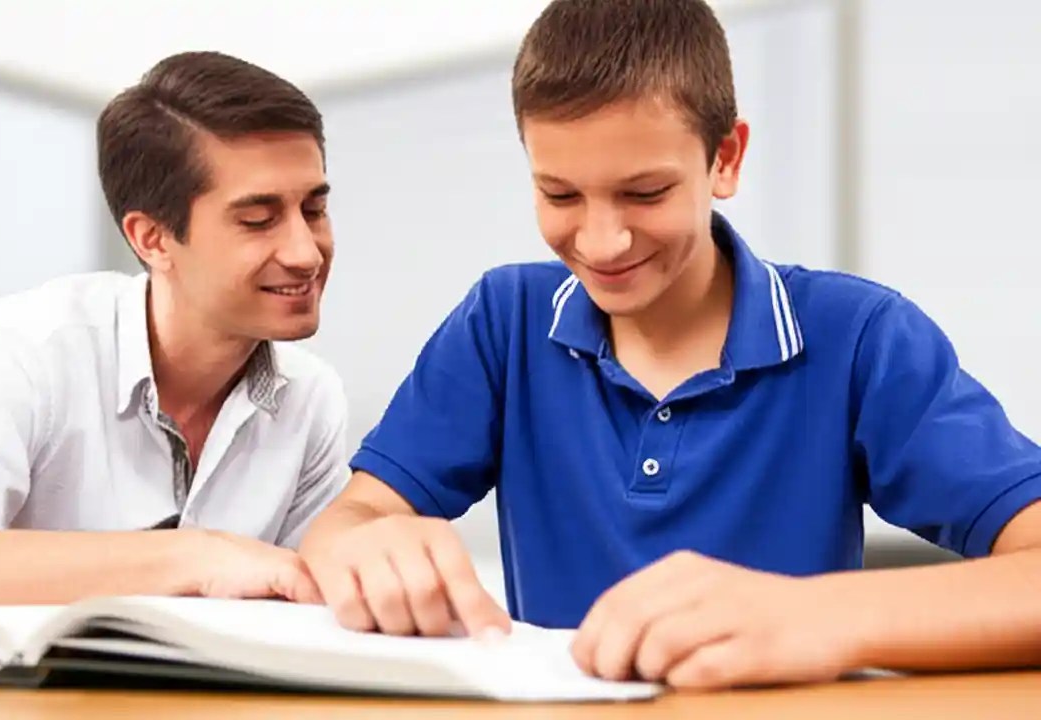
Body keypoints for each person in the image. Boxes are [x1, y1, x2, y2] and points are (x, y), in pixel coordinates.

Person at [301, 0, 1041, 691]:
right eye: (560, 195)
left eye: (645, 193)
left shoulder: (859, 338)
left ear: (725, 158)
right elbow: (352, 520)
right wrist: (361, 546)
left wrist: (820, 615)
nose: (600, 241)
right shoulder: (504, 322)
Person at [0, 51, 348, 641]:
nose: (306, 251)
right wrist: (189, 561)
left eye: (314, 209)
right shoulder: (33, 348)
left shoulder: (310, 400)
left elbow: (307, 621)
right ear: (153, 239)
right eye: (259, 220)